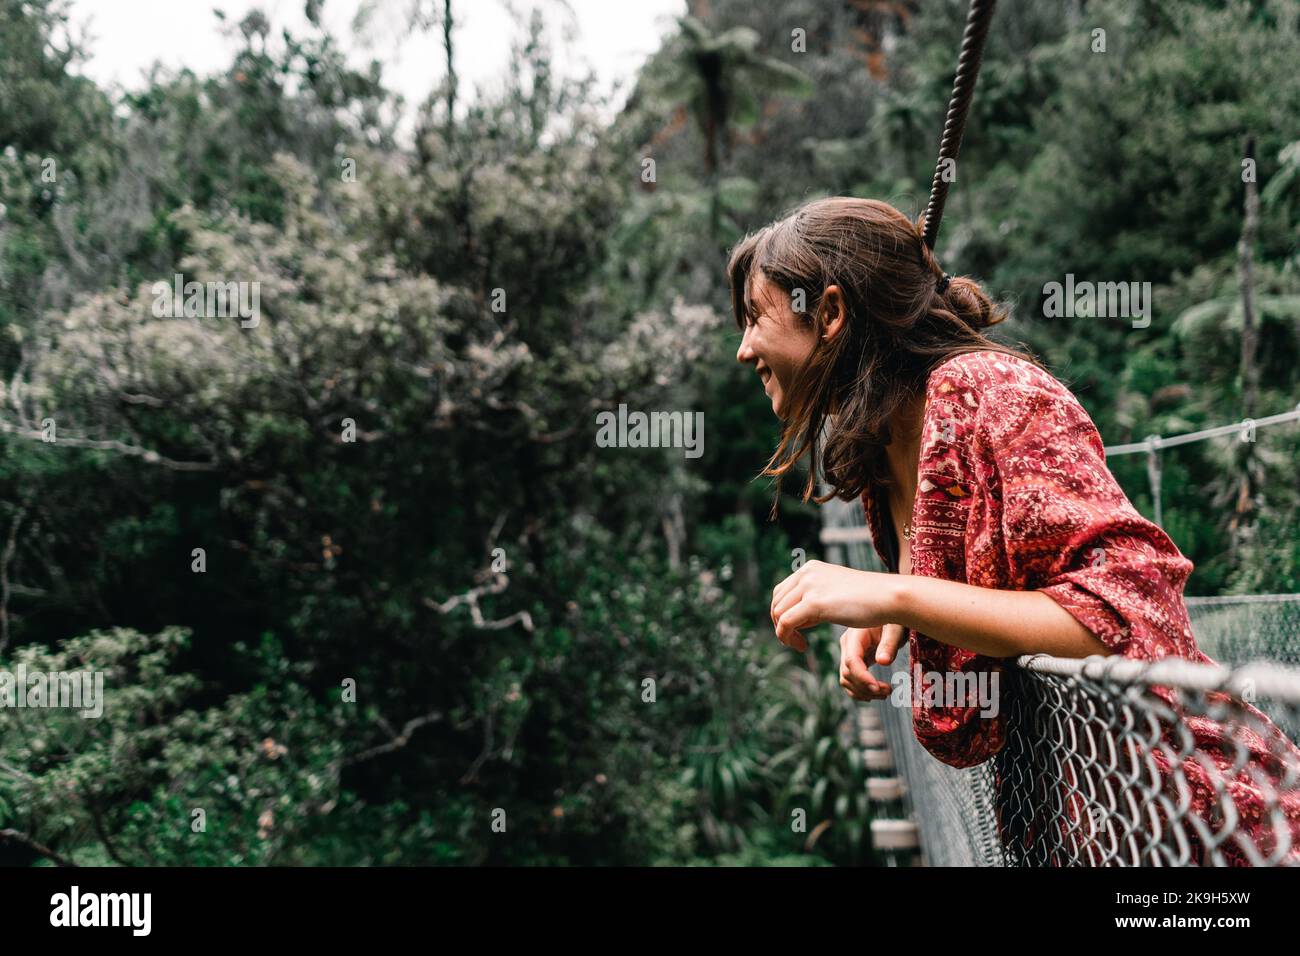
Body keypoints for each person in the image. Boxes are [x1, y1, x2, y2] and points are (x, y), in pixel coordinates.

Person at [728, 195, 1300, 865]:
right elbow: (1000, 586)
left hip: (1212, 832)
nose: (743, 350)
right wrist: (908, 611)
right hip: (1089, 834)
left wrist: (895, 597)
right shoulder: (886, 454)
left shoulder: (990, 392)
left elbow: (1133, 622)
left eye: (754, 318)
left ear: (827, 313)